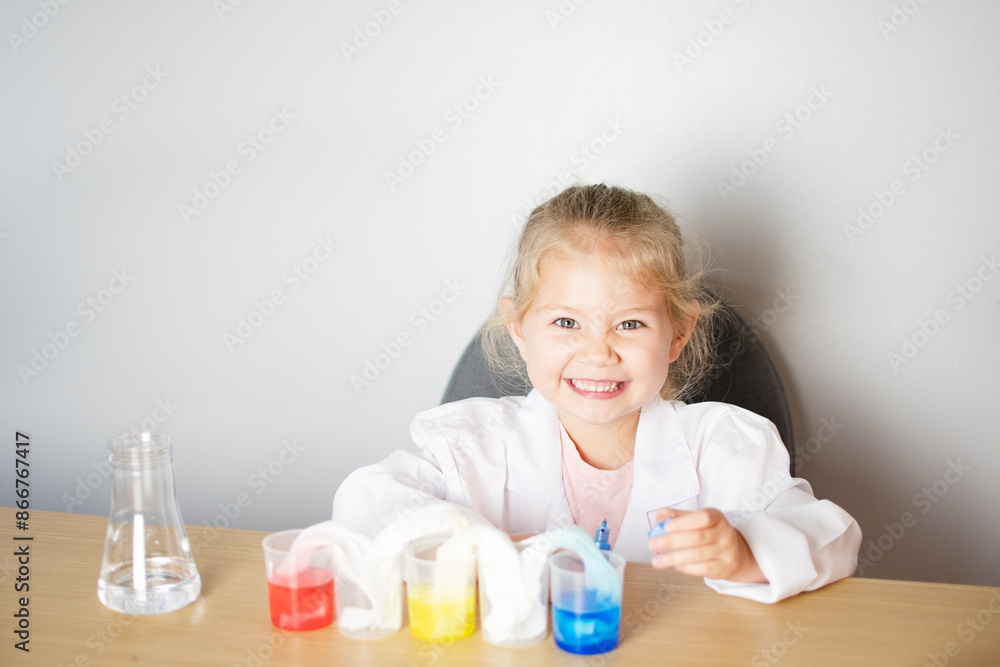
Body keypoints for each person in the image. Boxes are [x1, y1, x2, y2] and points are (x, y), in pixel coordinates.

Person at [332, 184, 861, 603]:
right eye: (567, 321)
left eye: (629, 324)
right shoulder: (473, 444)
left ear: (678, 334)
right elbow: (365, 507)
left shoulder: (724, 447)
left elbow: (833, 539)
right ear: (520, 329)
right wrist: (484, 547)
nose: (598, 353)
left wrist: (745, 552)